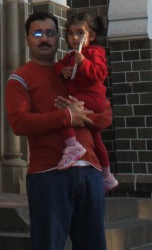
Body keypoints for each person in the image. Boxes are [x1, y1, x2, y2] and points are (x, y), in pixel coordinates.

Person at [5, 11, 112, 250]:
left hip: (90, 170)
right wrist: (66, 116)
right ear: (27, 39)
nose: (45, 39)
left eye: (50, 33)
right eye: (38, 33)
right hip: (49, 174)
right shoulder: (19, 78)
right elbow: (19, 123)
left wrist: (82, 117)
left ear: (58, 38)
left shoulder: (73, 70)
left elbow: (105, 116)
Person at [54, 12, 118, 192]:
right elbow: (59, 65)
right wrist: (63, 70)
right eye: (70, 33)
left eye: (80, 33)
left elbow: (100, 73)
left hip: (93, 98)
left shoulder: (94, 52)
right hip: (87, 99)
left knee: (65, 110)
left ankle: (72, 145)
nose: (75, 37)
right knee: (97, 140)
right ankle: (107, 176)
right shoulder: (71, 55)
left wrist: (83, 64)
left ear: (91, 35)